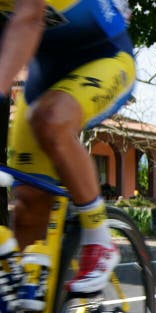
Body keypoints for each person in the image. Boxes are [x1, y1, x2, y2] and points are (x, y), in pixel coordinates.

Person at [0, 0, 135, 296]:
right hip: (43, 76)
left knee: (51, 119)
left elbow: (29, 13)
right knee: (28, 203)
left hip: (106, 56)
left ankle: (99, 239)